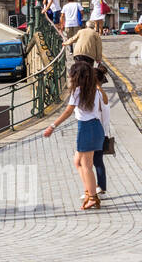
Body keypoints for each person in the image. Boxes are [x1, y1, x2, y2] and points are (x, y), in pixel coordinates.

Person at [43, 58, 108, 210]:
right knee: (78, 162)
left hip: (86, 127)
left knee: (86, 165)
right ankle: (88, 191)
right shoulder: (95, 90)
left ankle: (92, 197)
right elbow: (101, 108)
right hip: (95, 126)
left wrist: (52, 126)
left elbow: (68, 111)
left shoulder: (78, 91)